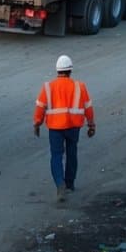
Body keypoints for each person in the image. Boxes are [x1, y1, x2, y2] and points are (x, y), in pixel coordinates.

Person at [33, 55, 95, 202]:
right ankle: (69, 184)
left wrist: (37, 123)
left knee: (56, 156)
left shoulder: (48, 87)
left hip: (55, 128)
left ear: (57, 70)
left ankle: (60, 184)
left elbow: (40, 107)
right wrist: (91, 125)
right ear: (70, 71)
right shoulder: (80, 86)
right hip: (74, 127)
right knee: (72, 154)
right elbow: (88, 107)